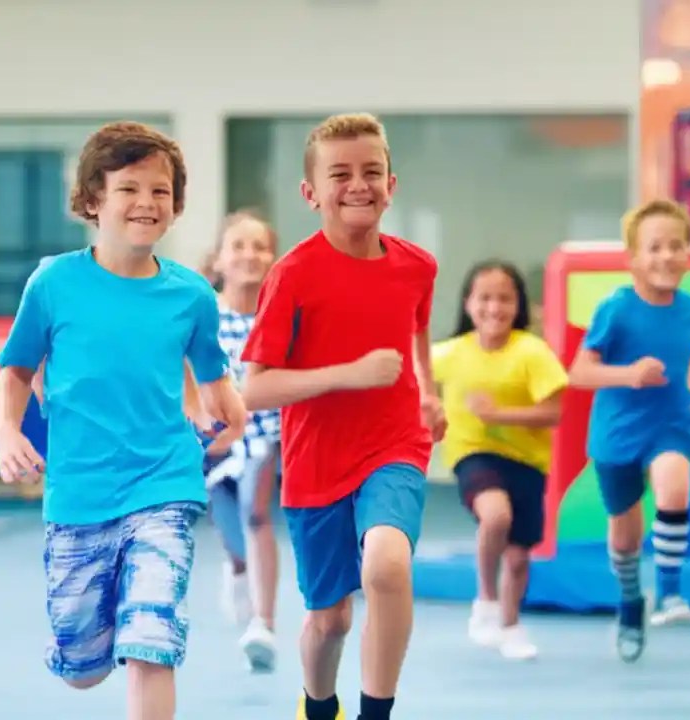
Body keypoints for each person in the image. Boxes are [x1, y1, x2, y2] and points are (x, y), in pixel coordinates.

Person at [0, 120, 245, 720]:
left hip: (164, 484)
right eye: (129, 188)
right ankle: (84, 650)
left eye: (160, 191)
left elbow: (214, 378)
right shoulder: (53, 282)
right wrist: (7, 429)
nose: (146, 203)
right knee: (83, 668)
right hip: (79, 493)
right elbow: (17, 369)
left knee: (152, 640)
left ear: (176, 206)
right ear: (92, 200)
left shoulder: (192, 295)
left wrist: (230, 419)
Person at [240, 112, 444, 720]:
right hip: (316, 463)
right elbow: (255, 390)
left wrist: (429, 392)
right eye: (341, 174)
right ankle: (318, 704)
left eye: (372, 172)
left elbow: (419, 332)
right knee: (329, 621)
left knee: (386, 561)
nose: (359, 185)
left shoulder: (418, 266)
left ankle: (376, 713)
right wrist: (346, 375)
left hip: (394, 444)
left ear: (392, 184)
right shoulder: (292, 275)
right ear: (311, 193)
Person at [568, 198, 690, 663]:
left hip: (670, 422)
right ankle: (631, 602)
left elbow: (688, 352)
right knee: (625, 538)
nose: (667, 256)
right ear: (633, 259)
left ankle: (670, 593)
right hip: (618, 433)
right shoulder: (617, 310)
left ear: (689, 252)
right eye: (655, 248)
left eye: (677, 246)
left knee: (674, 485)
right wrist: (628, 375)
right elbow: (579, 372)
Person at [431, 260, 567, 660]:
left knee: (519, 555)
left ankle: (510, 625)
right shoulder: (452, 352)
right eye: (485, 298)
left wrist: (499, 415)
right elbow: (410, 371)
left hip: (526, 461)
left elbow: (554, 413)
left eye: (504, 298)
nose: (494, 307)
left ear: (518, 304)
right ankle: (486, 601)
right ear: (468, 304)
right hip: (473, 453)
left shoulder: (532, 352)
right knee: (496, 517)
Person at [199, 209, 283, 672]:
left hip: (267, 432)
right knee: (229, 518)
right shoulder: (205, 312)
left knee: (255, 509)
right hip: (215, 436)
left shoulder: (281, 315)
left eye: (260, 247)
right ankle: (237, 566)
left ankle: (263, 623)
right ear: (219, 259)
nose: (250, 255)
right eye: (239, 246)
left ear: (274, 259)